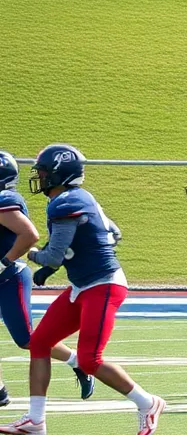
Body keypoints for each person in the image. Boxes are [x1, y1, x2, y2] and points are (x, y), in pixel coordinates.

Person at [1, 145, 164, 435]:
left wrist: (34, 258)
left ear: (59, 174)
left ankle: (148, 402)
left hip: (102, 285)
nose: (39, 176)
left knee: (90, 359)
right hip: (83, 284)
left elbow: (53, 254)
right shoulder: (79, 197)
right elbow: (113, 233)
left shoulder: (64, 202)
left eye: (44, 171)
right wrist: (64, 260)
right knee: (39, 341)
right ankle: (35, 421)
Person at [0, 151, 93, 407]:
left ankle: (77, 362)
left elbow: (30, 235)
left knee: (28, 340)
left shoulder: (4, 200)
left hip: (9, 277)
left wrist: (3, 262)